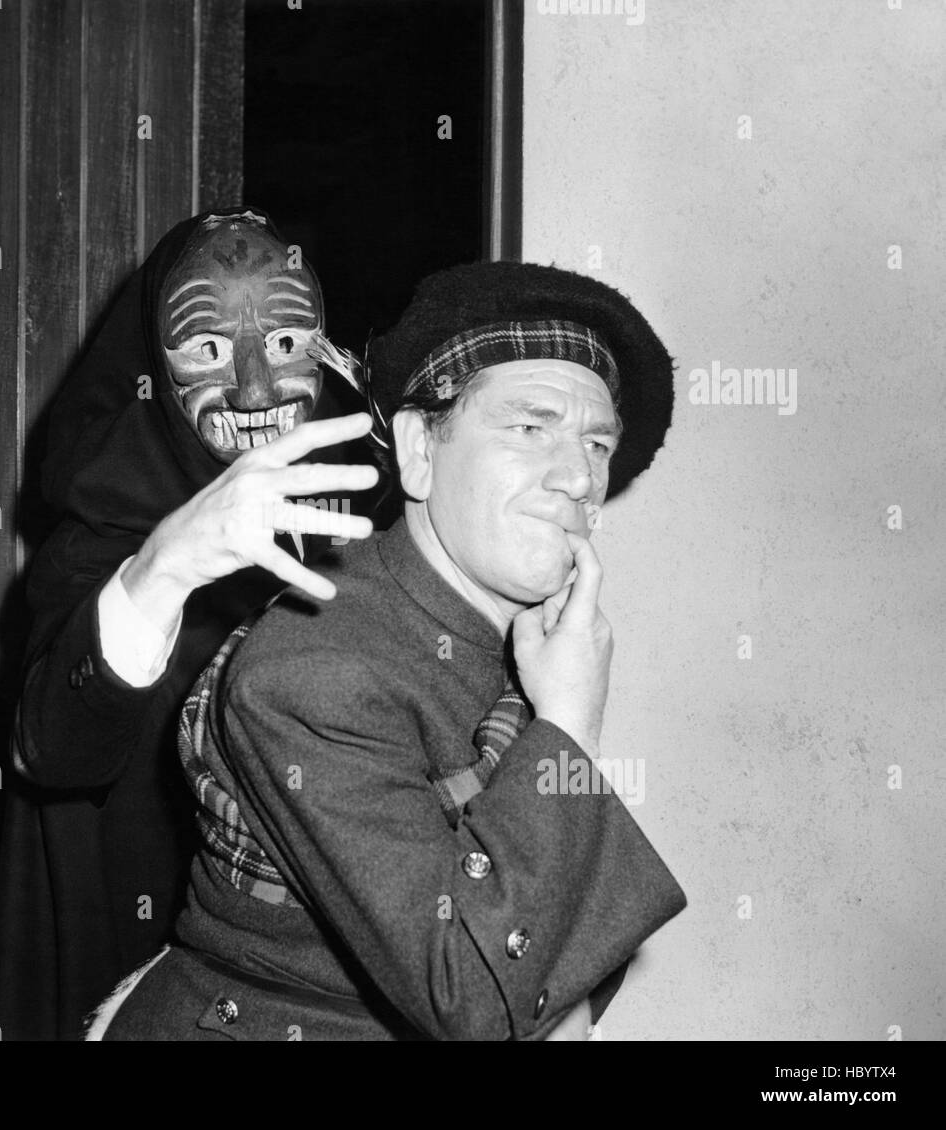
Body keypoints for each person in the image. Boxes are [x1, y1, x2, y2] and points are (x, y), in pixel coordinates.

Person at [96, 261, 687, 1040]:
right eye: (529, 427)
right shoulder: (315, 672)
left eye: (596, 443)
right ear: (418, 450)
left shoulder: (527, 642)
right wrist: (571, 726)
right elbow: (471, 997)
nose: (579, 477)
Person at [0, 208, 385, 1040]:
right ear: (153, 375)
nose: (254, 388)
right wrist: (164, 570)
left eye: (283, 346)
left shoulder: (367, 510)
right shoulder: (102, 527)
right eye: (206, 349)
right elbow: (53, 751)